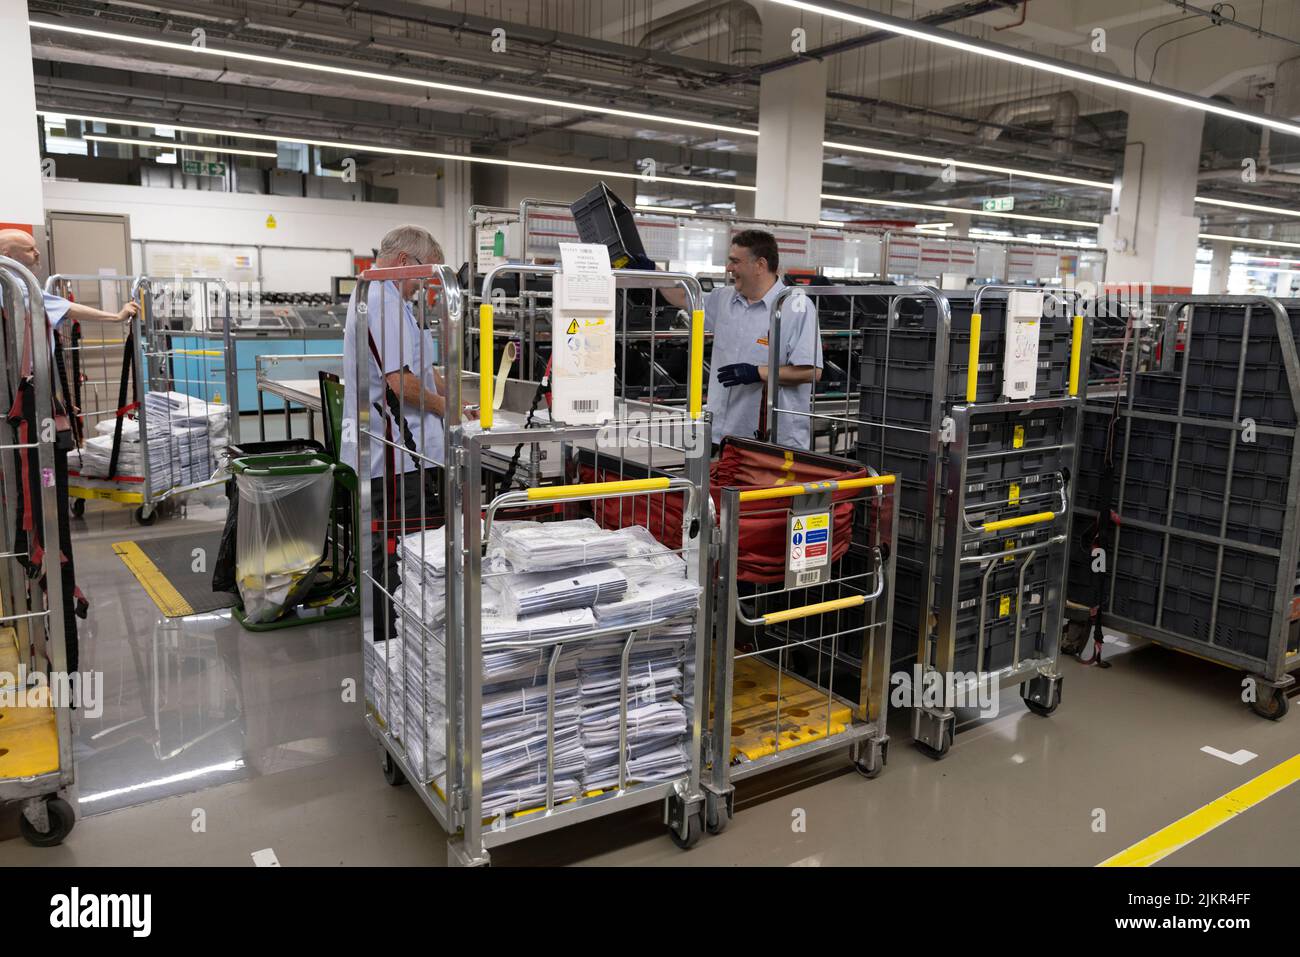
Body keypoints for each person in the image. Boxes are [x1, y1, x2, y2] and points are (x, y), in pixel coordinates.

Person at [340, 225, 470, 642]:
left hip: (398, 452)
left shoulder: (385, 298)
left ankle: (396, 639)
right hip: (395, 454)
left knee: (395, 546)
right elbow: (401, 384)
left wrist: (457, 396)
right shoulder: (382, 301)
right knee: (400, 552)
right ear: (402, 262)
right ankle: (395, 643)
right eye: (422, 274)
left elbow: (421, 373)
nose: (422, 287)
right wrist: (449, 411)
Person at [664, 229, 821, 450]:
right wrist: (650, 270)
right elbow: (682, 296)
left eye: (735, 262)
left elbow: (812, 371)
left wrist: (757, 373)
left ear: (760, 265)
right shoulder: (725, 299)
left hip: (774, 441)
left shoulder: (796, 306)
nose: (729, 268)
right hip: (720, 433)